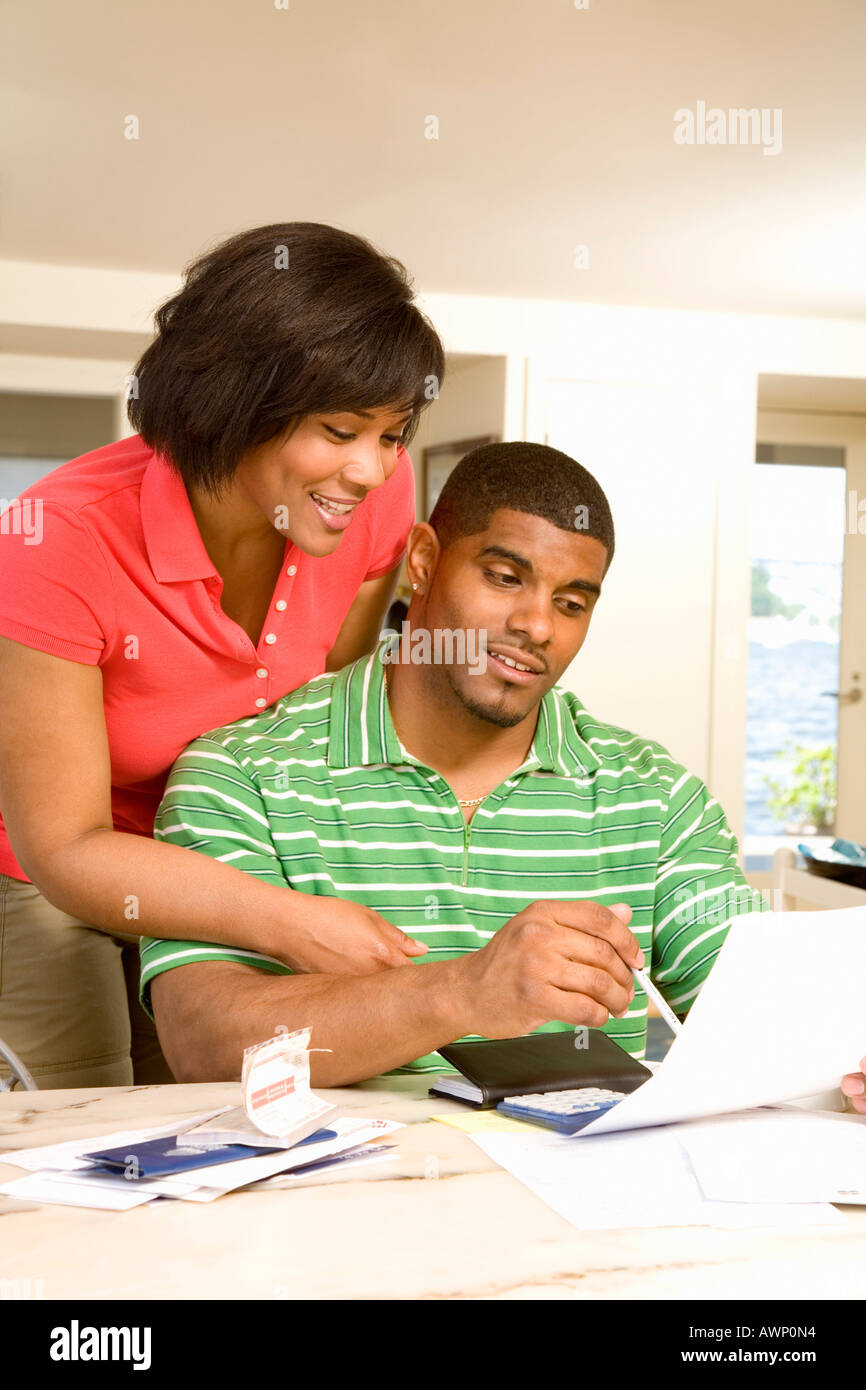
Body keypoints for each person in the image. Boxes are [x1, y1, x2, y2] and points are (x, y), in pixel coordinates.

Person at [145, 440, 837, 1092]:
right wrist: (462, 991)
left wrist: (842, 1047)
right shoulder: (241, 775)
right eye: (505, 578)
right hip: (335, 1206)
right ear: (422, 559)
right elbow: (203, 1040)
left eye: (571, 604)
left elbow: (768, 1005)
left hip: (578, 1206)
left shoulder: (654, 799)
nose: (538, 626)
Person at [0, 221, 445, 1089]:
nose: (371, 470)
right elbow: (65, 845)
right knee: (86, 1121)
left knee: (236, 1114)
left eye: (392, 435)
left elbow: (316, 716)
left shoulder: (370, 509)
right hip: (56, 875)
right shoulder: (56, 540)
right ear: (234, 401)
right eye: (339, 429)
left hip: (228, 850)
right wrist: (286, 920)